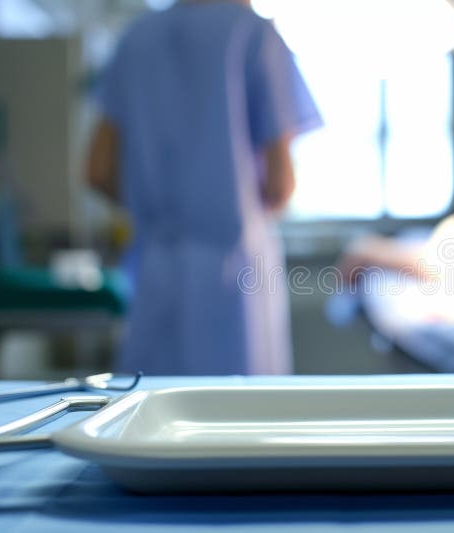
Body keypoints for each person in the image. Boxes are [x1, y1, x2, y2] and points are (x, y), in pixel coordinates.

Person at [86, 0, 320, 375]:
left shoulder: (136, 39)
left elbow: (97, 170)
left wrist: (157, 208)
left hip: (155, 269)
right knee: (239, 422)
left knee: (150, 414)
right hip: (236, 281)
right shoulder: (254, 34)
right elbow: (279, 185)